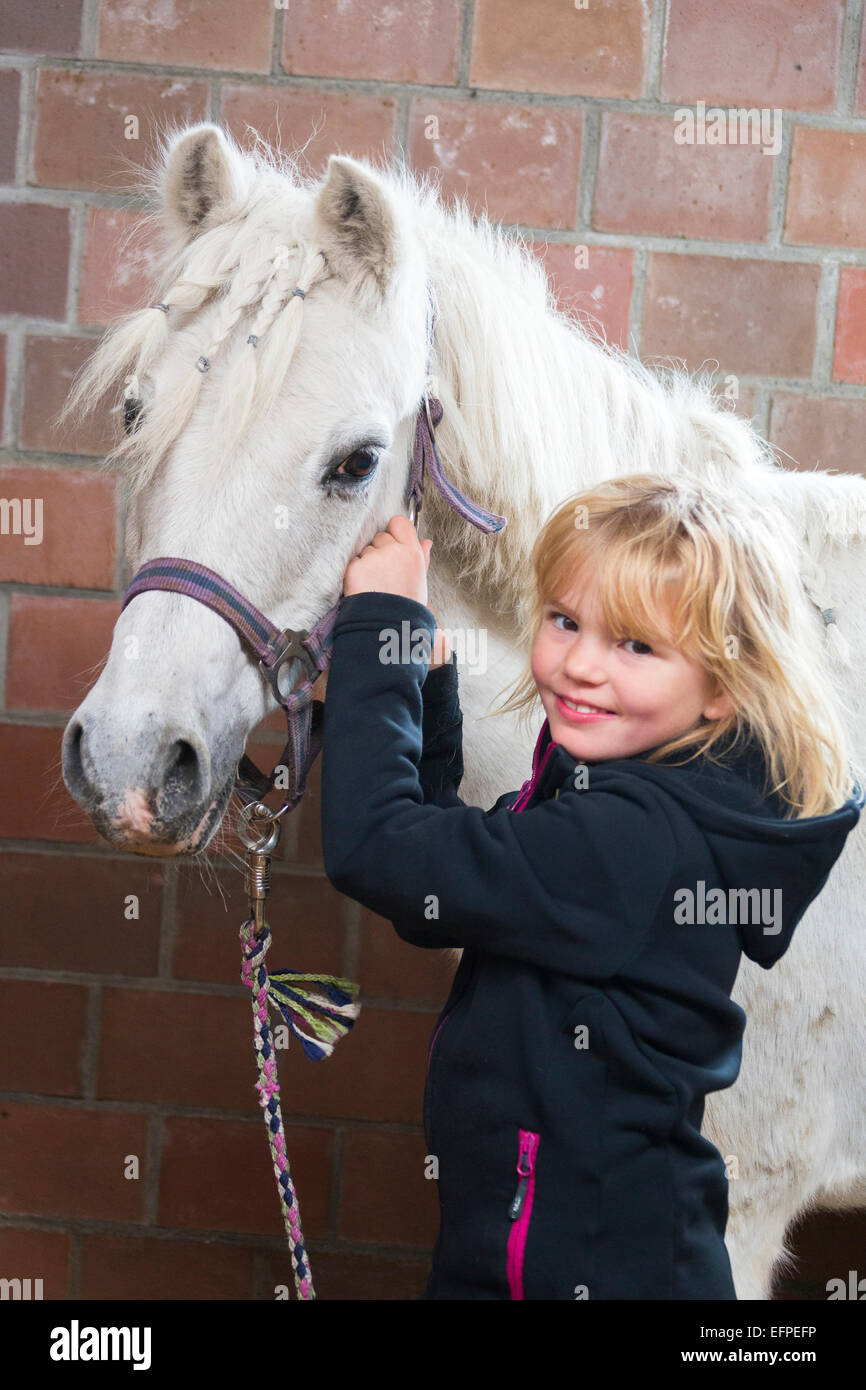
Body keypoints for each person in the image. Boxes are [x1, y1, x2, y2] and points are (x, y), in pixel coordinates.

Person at [319, 473, 863, 1300]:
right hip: (528, 1248)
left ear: (720, 688)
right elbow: (442, 889)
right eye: (565, 621)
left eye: (635, 646)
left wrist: (380, 630)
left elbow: (377, 847)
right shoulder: (622, 791)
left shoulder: (633, 840)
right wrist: (422, 670)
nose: (580, 664)